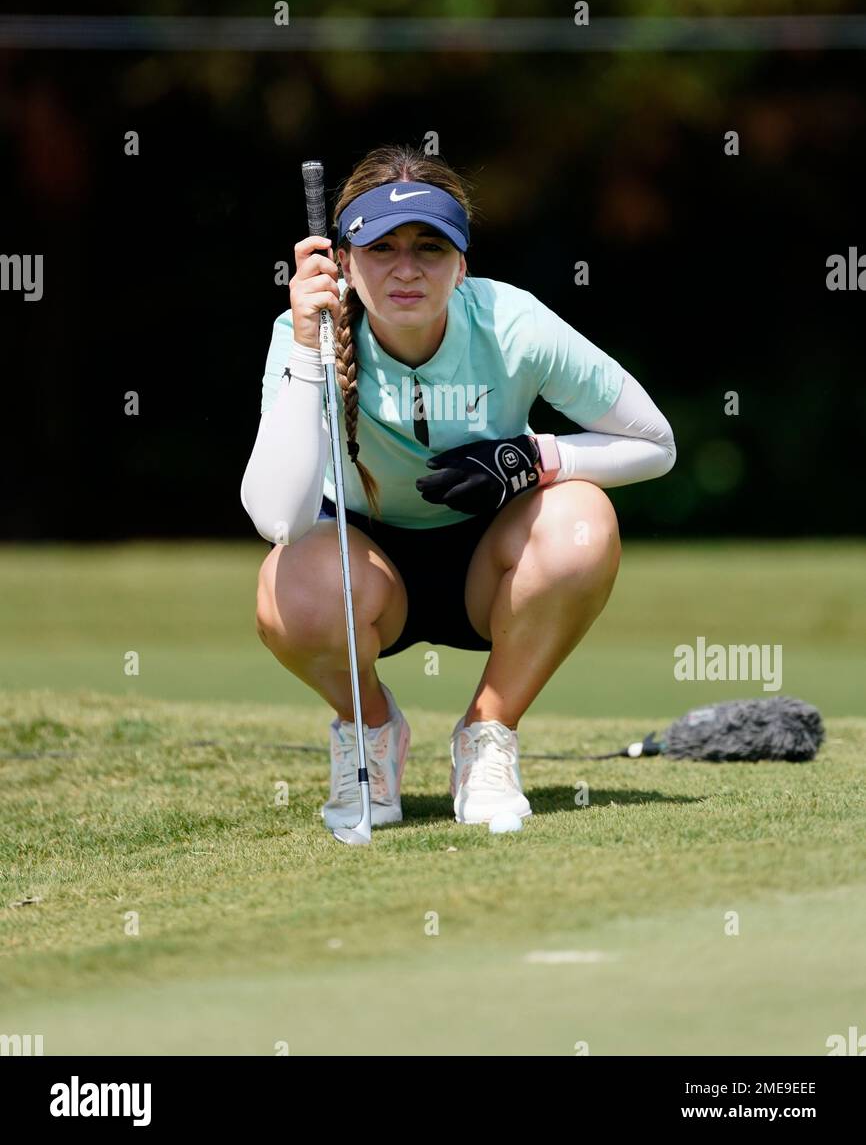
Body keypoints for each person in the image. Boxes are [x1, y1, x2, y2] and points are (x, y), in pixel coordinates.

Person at [241, 144, 676, 830]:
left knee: (583, 520)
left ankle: (486, 737)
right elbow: (277, 518)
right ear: (344, 264)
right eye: (381, 248)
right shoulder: (303, 333)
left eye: (430, 247)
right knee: (281, 584)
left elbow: (655, 444)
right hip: (361, 565)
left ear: (463, 264)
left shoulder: (513, 323)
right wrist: (305, 346)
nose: (407, 269)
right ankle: (372, 732)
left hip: (493, 564)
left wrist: (532, 457)